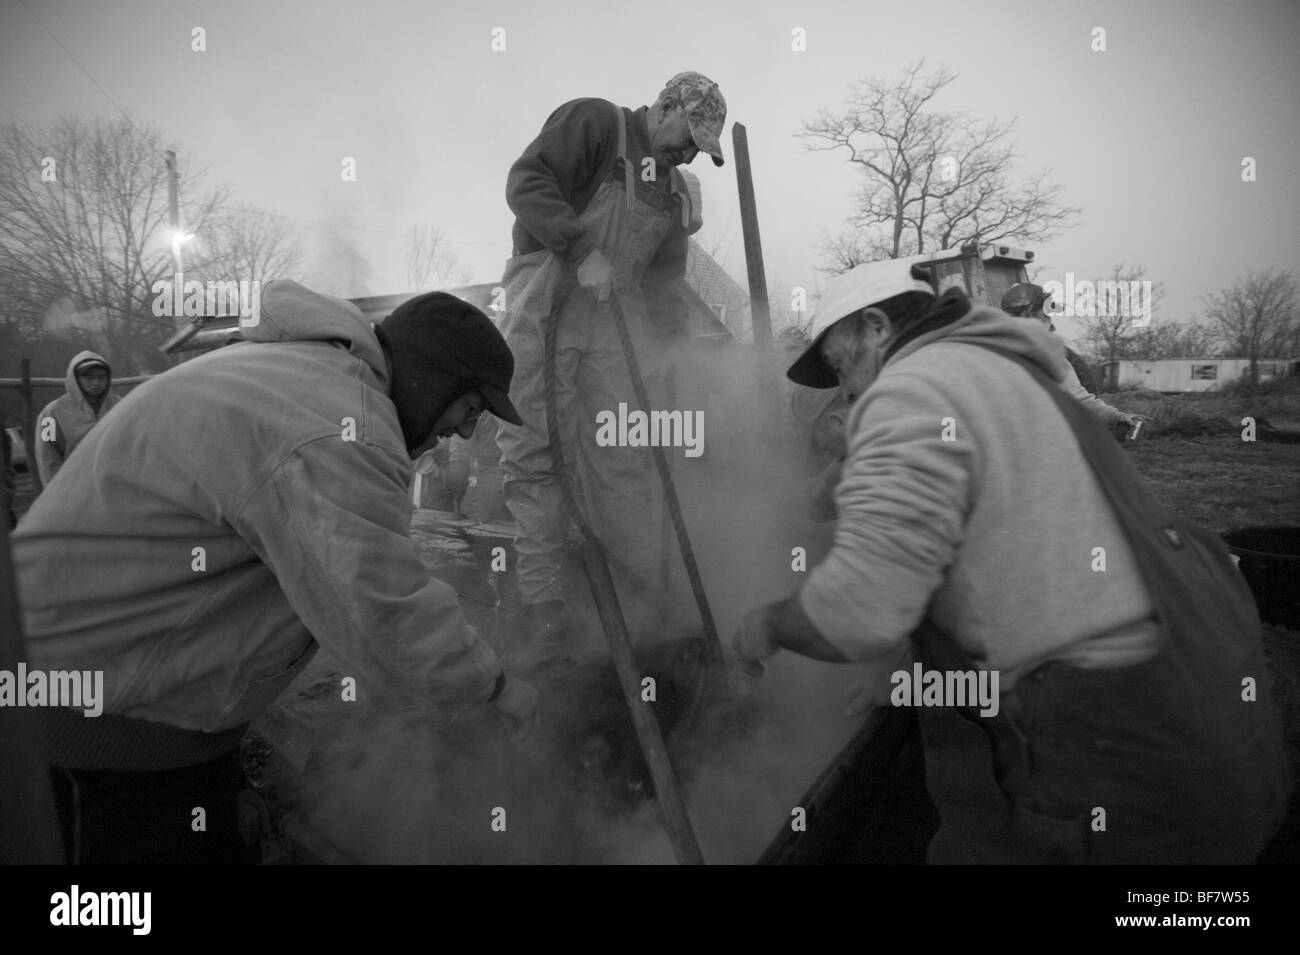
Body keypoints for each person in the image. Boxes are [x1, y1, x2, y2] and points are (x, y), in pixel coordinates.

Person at [730, 259, 1288, 863]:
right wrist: (915, 674)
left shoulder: (913, 390)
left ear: (876, 327)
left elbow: (859, 613)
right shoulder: (1006, 375)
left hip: (1119, 772)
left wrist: (767, 626)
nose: (848, 392)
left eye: (841, 367)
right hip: (1225, 745)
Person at [13, 280, 540, 864]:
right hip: (89, 721)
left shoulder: (301, 378)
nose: (465, 432)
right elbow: (384, 607)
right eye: (470, 409)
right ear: (433, 376)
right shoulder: (339, 424)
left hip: (120, 696)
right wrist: (497, 687)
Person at [494, 71, 726, 674]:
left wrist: (678, 356)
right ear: (666, 105)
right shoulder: (597, 123)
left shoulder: (671, 192)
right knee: (539, 452)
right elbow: (527, 182)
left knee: (622, 452)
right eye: (690, 138)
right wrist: (580, 249)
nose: (689, 154)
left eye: (700, 149)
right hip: (546, 302)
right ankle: (543, 604)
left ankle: (637, 593)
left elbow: (665, 287)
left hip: (613, 325)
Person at [1001, 283, 1146, 431]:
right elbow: (1078, 399)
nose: (1049, 318)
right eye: (1046, 311)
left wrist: (1117, 416)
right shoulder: (1039, 355)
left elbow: (1079, 398)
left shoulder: (995, 350)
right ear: (1029, 313)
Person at [34, 351, 121, 487]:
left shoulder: (122, 405)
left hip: (117, 484)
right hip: (75, 486)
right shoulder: (51, 414)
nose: (96, 383)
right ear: (75, 379)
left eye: (101, 377)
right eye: (88, 378)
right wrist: (56, 490)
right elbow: (47, 456)